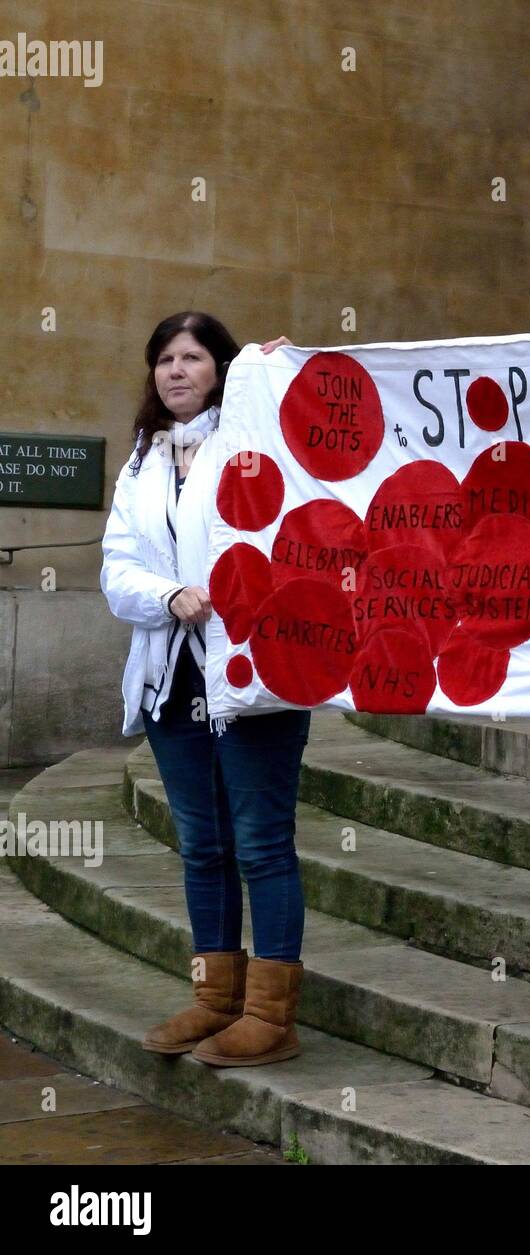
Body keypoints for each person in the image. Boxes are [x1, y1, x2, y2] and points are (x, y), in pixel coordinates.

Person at [100, 312, 313, 1067]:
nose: (176, 369)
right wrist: (166, 595)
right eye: (164, 357)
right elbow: (116, 568)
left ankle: (271, 1016)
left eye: (193, 356)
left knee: (260, 842)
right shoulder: (144, 461)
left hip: (251, 672)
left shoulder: (254, 438)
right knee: (202, 845)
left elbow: (320, 473)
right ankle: (214, 999)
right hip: (169, 678)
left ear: (222, 368)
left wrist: (291, 378)